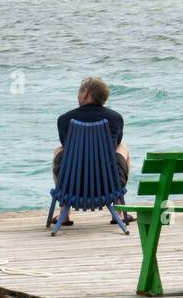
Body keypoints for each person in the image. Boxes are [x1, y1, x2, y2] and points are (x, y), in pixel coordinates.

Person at [52, 76, 129, 226]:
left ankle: (64, 213)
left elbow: (66, 146)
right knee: (122, 147)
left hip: (73, 186)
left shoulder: (64, 119)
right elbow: (116, 144)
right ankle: (119, 212)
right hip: (108, 185)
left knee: (59, 150)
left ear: (86, 93)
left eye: (79, 91)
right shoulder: (115, 118)